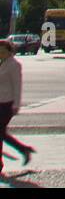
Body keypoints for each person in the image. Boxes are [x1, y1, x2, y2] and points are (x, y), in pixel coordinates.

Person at [0, 39, 33, 175]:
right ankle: (24, 149)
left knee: (0, 132)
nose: (0, 53)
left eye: (2, 51)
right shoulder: (2, 63)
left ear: (9, 51)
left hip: (7, 104)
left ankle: (22, 149)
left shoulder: (14, 65)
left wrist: (17, 105)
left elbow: (17, 86)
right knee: (1, 133)